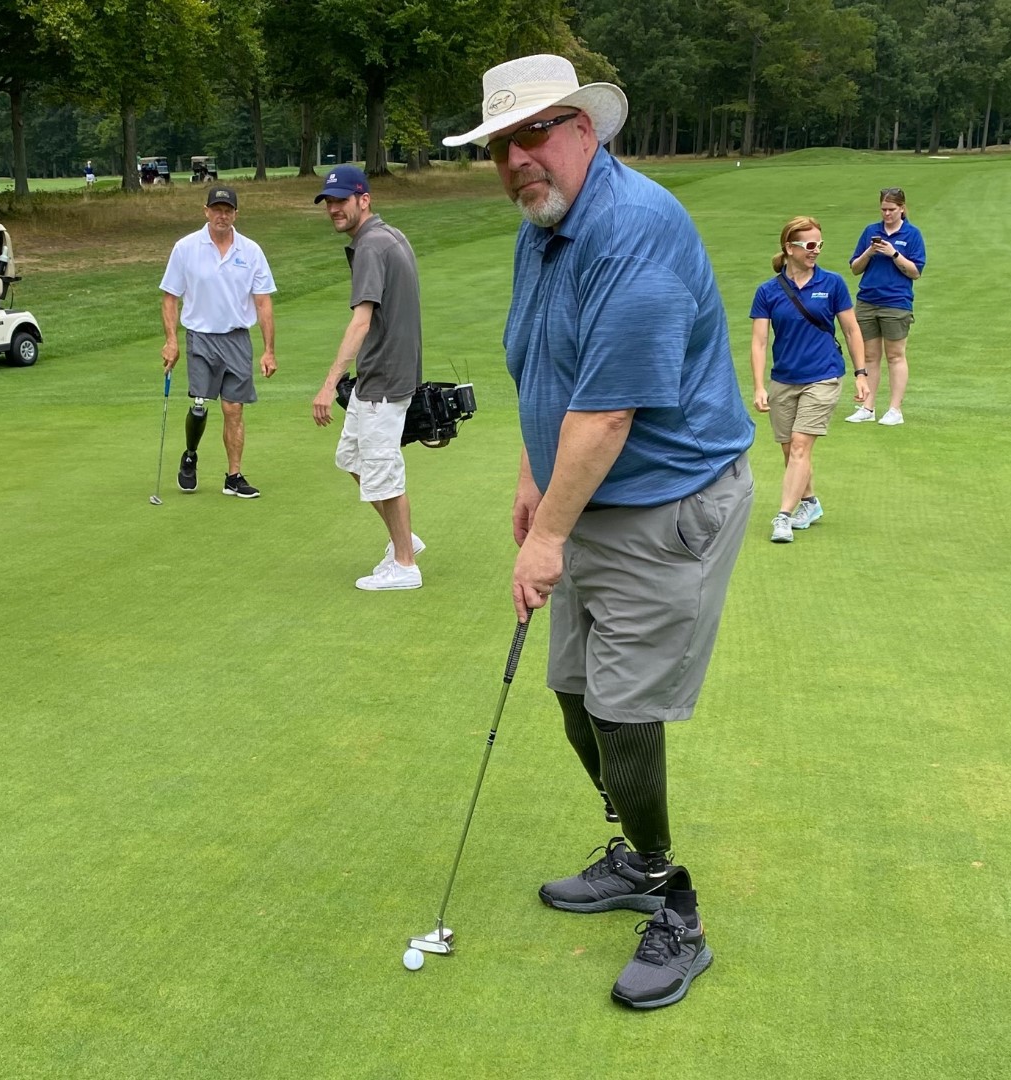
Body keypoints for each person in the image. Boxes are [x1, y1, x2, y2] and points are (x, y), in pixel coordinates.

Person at [443, 53, 755, 1010]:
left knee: (622, 706)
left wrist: (547, 538)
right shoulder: (541, 231)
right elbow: (547, 369)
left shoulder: (636, 229)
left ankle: (676, 903)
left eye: (533, 134)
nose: (516, 159)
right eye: (501, 144)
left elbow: (610, 413)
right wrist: (535, 479)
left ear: (585, 127)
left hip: (665, 507)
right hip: (589, 499)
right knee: (574, 692)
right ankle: (637, 856)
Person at [309, 165, 427, 591]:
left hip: (382, 379)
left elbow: (361, 322)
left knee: (381, 469)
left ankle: (406, 564)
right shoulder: (386, 235)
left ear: (365, 199)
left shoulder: (372, 246)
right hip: (378, 376)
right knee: (353, 458)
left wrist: (328, 385)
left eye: (342, 200)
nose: (335, 209)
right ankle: (404, 538)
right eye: (329, 202)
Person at [750, 216, 868, 543]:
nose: (816, 251)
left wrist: (861, 374)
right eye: (810, 245)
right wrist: (759, 385)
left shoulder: (832, 284)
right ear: (790, 248)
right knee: (790, 452)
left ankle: (783, 517)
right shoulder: (768, 292)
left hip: (824, 376)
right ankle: (810, 502)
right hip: (784, 379)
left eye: (820, 244)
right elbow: (759, 342)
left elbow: (851, 329)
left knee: (801, 447)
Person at [159, 185, 278, 498]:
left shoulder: (250, 251)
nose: (222, 215)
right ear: (206, 211)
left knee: (234, 409)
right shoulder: (186, 247)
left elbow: (263, 302)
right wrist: (171, 341)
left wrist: (268, 350)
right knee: (199, 406)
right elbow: (170, 297)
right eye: (217, 209)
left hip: (237, 338)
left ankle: (234, 476)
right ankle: (190, 455)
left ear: (236, 214)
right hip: (200, 336)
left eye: (228, 210)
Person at [844, 186, 925, 425]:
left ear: (902, 208)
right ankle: (867, 408)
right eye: (883, 210)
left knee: (895, 355)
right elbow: (855, 268)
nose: (886, 214)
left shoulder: (912, 234)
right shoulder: (871, 231)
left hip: (896, 302)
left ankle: (895, 410)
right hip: (868, 300)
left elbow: (915, 272)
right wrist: (870, 251)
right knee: (869, 355)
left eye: (891, 209)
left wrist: (894, 254)